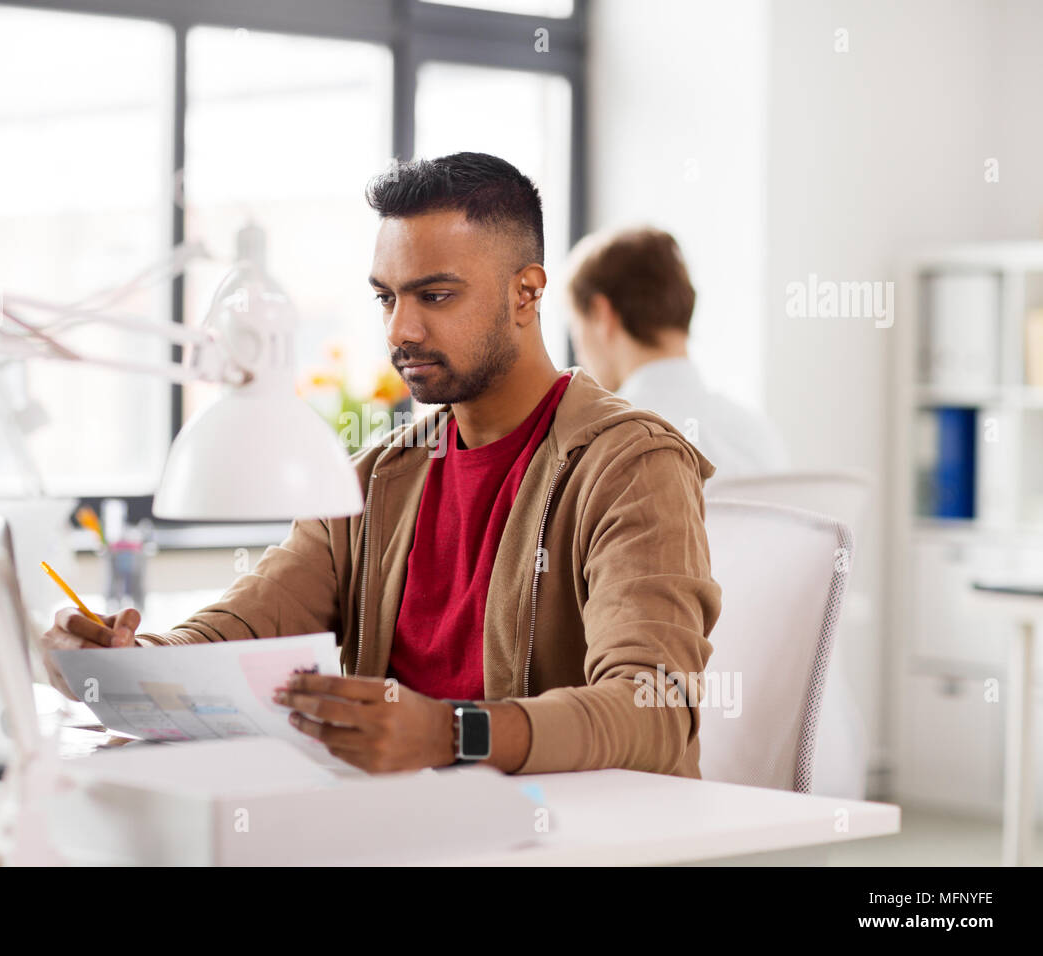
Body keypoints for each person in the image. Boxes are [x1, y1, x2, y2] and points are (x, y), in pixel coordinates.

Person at [40, 154, 721, 777]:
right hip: (404, 831)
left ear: (526, 293)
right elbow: (246, 623)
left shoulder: (632, 465)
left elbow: (652, 708)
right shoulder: (377, 478)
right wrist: (127, 666)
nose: (400, 329)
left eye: (435, 295)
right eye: (386, 297)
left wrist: (455, 734)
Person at [566, 227, 789, 478]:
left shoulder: (596, 442)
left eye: (575, 329)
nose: (580, 356)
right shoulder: (758, 437)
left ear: (600, 314)